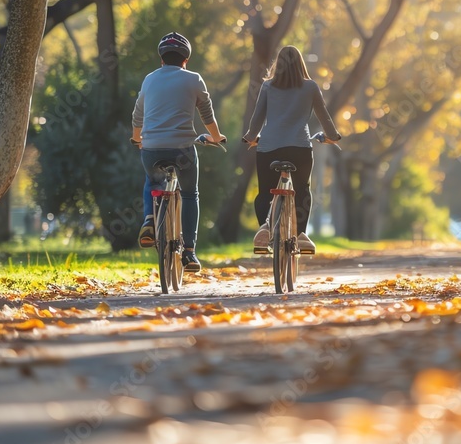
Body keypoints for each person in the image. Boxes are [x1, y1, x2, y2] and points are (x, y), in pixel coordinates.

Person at [130, 32, 226, 273]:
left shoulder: (149, 79)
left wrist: (136, 138)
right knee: (190, 193)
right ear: (186, 60)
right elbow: (207, 114)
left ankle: (149, 219)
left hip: (151, 149)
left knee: (151, 180)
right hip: (183, 149)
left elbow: (137, 115)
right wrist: (215, 137)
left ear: (161, 59)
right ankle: (190, 252)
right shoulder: (194, 79)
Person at [241, 45, 342, 255]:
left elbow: (257, 118)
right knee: (302, 190)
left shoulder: (267, 87)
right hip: (300, 149)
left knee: (264, 193)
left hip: (269, 148)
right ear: (300, 65)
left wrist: (251, 138)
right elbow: (324, 116)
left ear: (278, 65)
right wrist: (332, 136)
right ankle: (302, 235)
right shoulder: (310, 87)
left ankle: (265, 229)